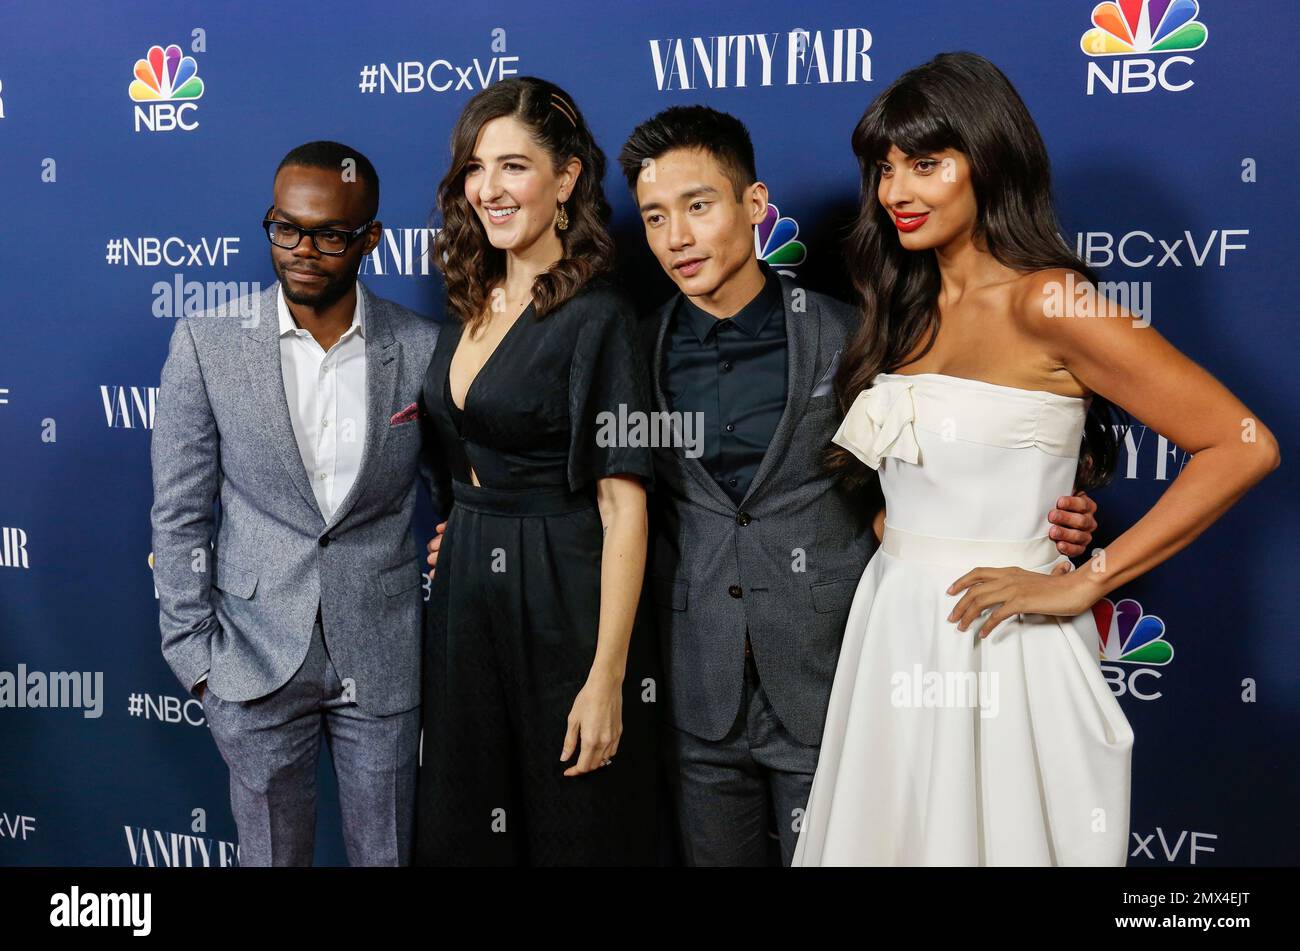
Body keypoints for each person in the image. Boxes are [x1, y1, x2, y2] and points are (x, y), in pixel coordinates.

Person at [793, 52, 1280, 866]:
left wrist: (1085, 581)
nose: (896, 192)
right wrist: (905, 523)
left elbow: (1242, 445)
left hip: (1000, 641)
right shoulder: (907, 303)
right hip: (896, 627)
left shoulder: (1049, 300)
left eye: (925, 164)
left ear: (989, 159)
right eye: (884, 169)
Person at [615, 105, 1101, 865]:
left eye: (698, 206)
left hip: (837, 681)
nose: (676, 237)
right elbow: (607, 504)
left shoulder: (860, 338)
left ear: (753, 205)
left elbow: (946, 467)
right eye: (653, 217)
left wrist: (1048, 521)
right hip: (695, 690)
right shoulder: (634, 350)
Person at [151, 141, 439, 865]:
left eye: (330, 234)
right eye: (286, 228)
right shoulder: (207, 344)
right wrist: (197, 657)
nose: (303, 250)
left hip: (384, 649)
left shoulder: (424, 347)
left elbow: (464, 492)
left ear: (370, 237)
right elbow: (180, 510)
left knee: (388, 856)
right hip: (250, 657)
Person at [413, 77, 659, 865]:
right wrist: (465, 530)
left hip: (564, 592)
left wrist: (607, 677)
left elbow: (626, 510)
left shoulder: (601, 317)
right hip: (465, 596)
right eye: (476, 169)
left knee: (572, 821)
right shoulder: (471, 301)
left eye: (515, 166)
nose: (490, 189)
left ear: (567, 178)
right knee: (467, 822)